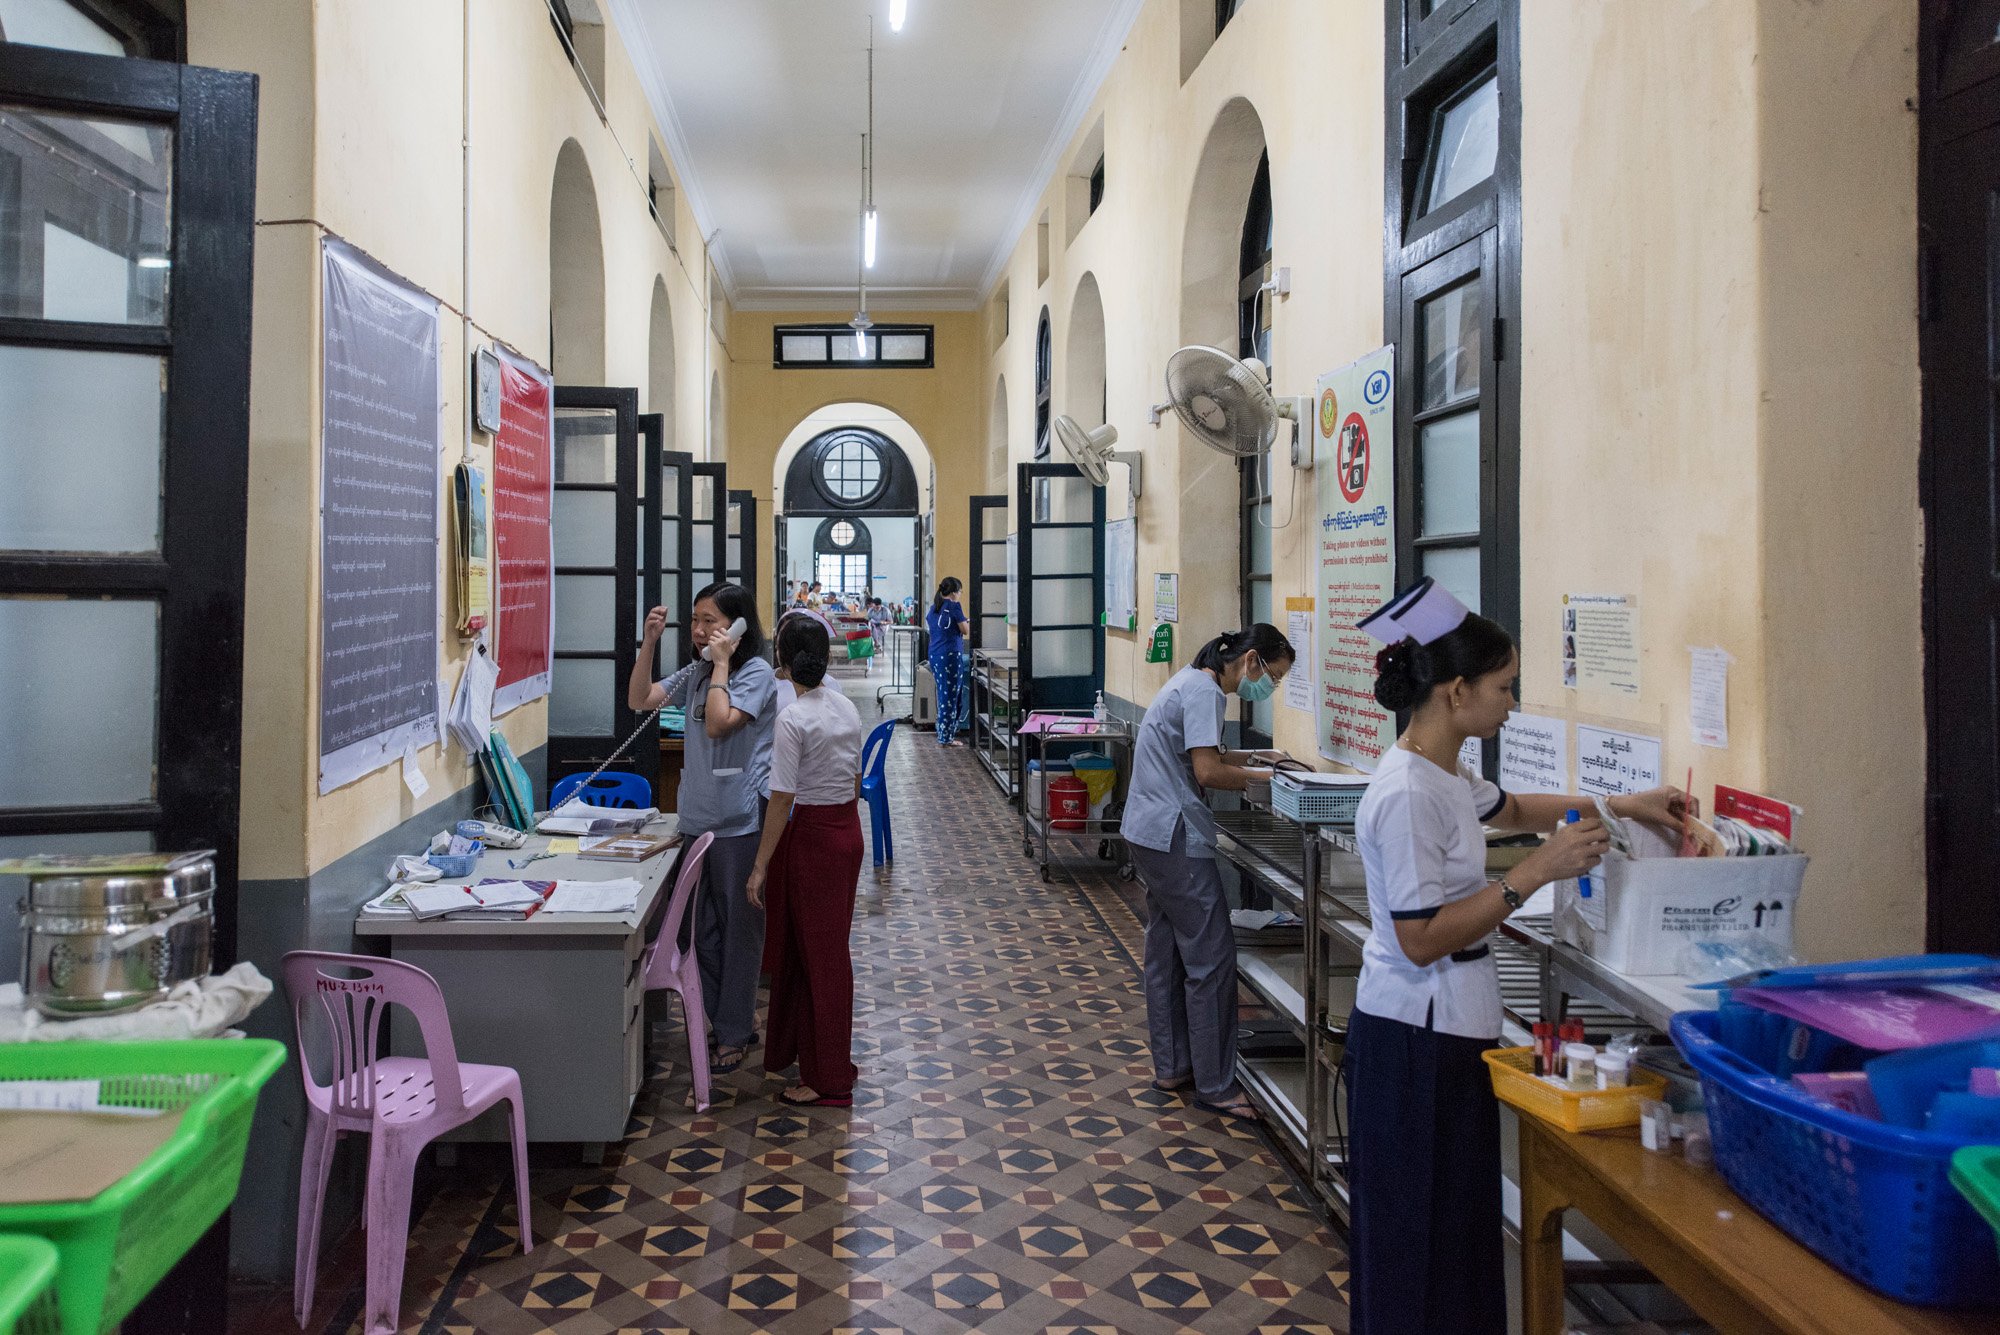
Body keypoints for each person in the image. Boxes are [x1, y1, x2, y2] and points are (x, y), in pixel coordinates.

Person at [1343, 579, 1688, 1335]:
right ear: (1456, 690)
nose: (1511, 703)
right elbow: (1421, 934)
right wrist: (1532, 873)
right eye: (1504, 687)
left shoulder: (1446, 772)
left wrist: (1620, 806)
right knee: (1415, 1245)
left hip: (1452, 1033)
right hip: (1412, 1042)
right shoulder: (1405, 792)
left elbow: (1513, 809)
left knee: (1457, 1235)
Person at [1123, 623, 1296, 1122]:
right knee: (1211, 959)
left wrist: (1263, 758)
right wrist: (1265, 777)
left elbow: (1209, 757)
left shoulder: (1189, 682)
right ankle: (1217, 1086)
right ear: (1252, 661)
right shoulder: (1206, 693)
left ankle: (1174, 1065)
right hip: (1173, 836)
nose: (1270, 688)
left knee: (1165, 953)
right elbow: (1208, 772)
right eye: (1274, 676)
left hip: (1148, 831)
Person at [629, 581, 777, 1075]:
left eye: (710, 620)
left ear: (736, 625)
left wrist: (720, 664)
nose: (698, 630)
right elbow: (641, 699)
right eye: (694, 620)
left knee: (739, 932)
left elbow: (718, 724)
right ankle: (724, 1020)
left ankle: (732, 1032)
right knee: (700, 933)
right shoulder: (696, 671)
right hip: (696, 818)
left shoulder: (754, 673)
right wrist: (649, 643)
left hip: (738, 819)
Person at [746, 615, 865, 1107]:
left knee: (819, 960)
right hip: (847, 834)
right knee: (824, 953)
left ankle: (828, 1076)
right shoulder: (845, 707)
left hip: (814, 839)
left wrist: (759, 866)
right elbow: (853, 783)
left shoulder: (792, 719)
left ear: (782, 661)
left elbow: (781, 799)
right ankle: (820, 1058)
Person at [925, 577, 971, 746]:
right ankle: (946, 737)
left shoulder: (934, 607)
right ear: (953, 593)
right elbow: (965, 630)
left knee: (944, 694)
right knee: (951, 697)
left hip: (936, 655)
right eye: (960, 592)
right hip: (950, 655)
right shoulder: (953, 606)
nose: (960, 595)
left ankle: (944, 733)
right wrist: (966, 622)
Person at [867, 596, 891, 673]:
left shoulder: (885, 610)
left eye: (878, 607)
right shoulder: (870, 610)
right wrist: (871, 621)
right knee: (871, 629)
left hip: (883, 627)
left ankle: (876, 644)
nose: (876, 609)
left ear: (880, 605)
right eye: (874, 607)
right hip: (874, 626)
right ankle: (876, 644)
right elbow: (868, 619)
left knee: (874, 630)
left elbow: (891, 621)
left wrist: (884, 622)